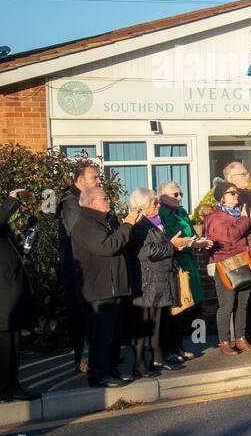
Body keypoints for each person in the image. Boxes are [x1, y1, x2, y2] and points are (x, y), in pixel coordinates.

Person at [70, 186, 137, 388]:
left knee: (114, 336)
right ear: (90, 202)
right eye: (104, 198)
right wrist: (127, 226)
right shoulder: (84, 224)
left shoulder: (104, 221)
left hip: (114, 287)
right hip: (99, 289)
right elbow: (107, 247)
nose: (108, 200)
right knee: (101, 337)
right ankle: (98, 375)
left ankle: (111, 370)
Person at [126, 188, 191, 378]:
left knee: (156, 323)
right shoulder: (138, 225)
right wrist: (171, 245)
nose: (158, 206)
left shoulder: (154, 222)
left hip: (159, 279)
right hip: (147, 282)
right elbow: (148, 252)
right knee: (143, 324)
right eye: (154, 203)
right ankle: (139, 364)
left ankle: (157, 359)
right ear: (143, 206)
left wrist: (174, 246)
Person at [57, 160, 101, 373]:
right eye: (95, 177)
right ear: (79, 180)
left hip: (89, 265)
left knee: (93, 313)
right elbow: (81, 231)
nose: (99, 181)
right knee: (80, 313)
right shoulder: (70, 201)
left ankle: (96, 354)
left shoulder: (86, 199)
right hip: (76, 267)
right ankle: (83, 358)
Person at [157, 181, 208, 366]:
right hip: (174, 265)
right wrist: (188, 244)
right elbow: (167, 241)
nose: (179, 197)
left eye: (180, 194)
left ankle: (184, 345)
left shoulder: (181, 212)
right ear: (162, 197)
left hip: (188, 264)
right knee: (174, 309)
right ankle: (170, 349)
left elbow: (192, 234)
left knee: (189, 306)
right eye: (175, 194)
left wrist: (199, 242)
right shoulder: (161, 214)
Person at [205, 180, 251, 356]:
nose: (236, 195)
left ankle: (241, 338)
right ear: (222, 197)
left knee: (243, 303)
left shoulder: (240, 213)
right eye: (231, 193)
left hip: (244, 261)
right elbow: (231, 235)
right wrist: (246, 219)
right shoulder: (215, 217)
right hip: (225, 263)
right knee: (227, 304)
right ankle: (224, 341)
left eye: (236, 192)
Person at [0, 189, 38, 403]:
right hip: (3, 292)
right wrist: (13, 199)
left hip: (9, 289)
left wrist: (20, 243)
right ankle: (8, 388)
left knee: (11, 343)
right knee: (6, 345)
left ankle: (10, 385)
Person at [223, 161, 251, 344]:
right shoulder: (229, 199)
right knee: (240, 297)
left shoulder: (250, 196)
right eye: (244, 174)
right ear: (231, 179)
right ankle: (240, 334)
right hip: (238, 253)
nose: (248, 176)